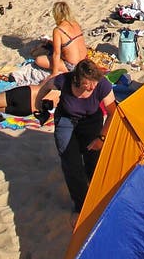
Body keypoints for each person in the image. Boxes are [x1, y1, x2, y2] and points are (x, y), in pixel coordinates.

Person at [34, 59, 116, 222]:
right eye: (88, 84)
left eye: (94, 82)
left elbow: (113, 113)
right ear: (78, 80)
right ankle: (81, 205)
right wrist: (38, 103)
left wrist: (101, 137)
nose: (92, 87)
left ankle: (97, 193)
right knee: (71, 162)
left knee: (93, 159)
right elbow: (46, 86)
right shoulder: (64, 81)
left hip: (91, 121)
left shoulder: (102, 84)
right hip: (66, 120)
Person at [32, 1, 88, 74]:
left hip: (72, 66)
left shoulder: (58, 30)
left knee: (39, 60)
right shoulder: (75, 23)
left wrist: (54, 73)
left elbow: (56, 54)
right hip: (84, 61)